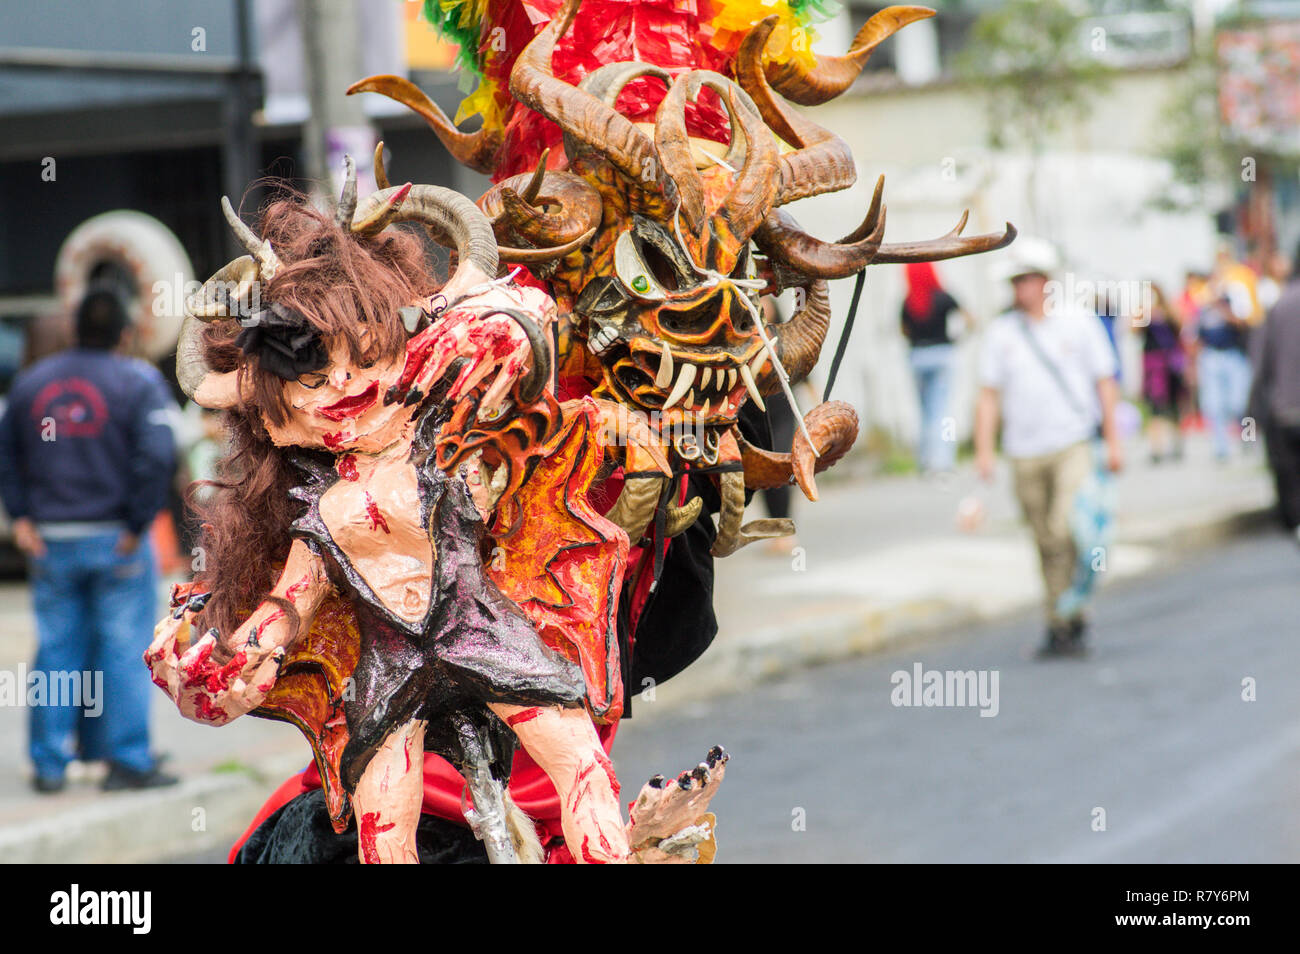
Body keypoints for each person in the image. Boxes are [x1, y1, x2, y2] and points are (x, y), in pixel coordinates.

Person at [0, 285, 178, 792]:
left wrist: (22, 518)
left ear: (76, 329)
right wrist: (137, 524)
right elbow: (158, 455)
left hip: (51, 540)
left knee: (57, 649)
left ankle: (49, 764)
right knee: (123, 648)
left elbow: (5, 451)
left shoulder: (31, 383)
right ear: (124, 333)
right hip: (116, 542)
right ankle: (126, 761)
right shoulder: (138, 381)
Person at [974, 238, 1123, 658]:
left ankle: (1070, 605)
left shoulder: (1077, 322)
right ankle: (1062, 619)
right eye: (1016, 280)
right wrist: (985, 451)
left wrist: (1113, 441)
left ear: (1045, 280)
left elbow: (1105, 382)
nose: (1021, 288)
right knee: (1045, 539)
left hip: (1071, 443)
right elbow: (988, 395)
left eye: (1027, 279)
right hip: (1024, 450)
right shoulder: (1003, 332)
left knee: (1065, 527)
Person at [1249, 242, 1300, 541]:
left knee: (1293, 499)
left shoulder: (1279, 306)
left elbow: (1260, 366)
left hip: (1284, 414)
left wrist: (1252, 415)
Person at [901, 261, 966, 474]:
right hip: (942, 355)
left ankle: (926, 461)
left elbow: (903, 330)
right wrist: (956, 338)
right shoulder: (943, 297)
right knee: (941, 412)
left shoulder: (908, 302)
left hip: (918, 356)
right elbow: (969, 319)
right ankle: (943, 461)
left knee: (925, 412)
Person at [1197, 246, 1257, 461]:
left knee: (1240, 403)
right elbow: (1196, 329)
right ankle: (1221, 448)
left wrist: (1223, 307)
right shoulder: (1205, 293)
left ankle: (1248, 440)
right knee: (1214, 406)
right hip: (1211, 354)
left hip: (1234, 353)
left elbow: (1245, 321)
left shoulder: (1237, 290)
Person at [1136, 283, 1188, 463]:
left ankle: (1177, 443)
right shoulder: (1143, 312)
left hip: (1170, 366)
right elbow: (1133, 330)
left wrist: (1165, 311)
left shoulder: (1169, 310)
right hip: (1153, 365)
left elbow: (1181, 326)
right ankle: (1156, 447)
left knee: (1174, 407)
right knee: (1154, 408)